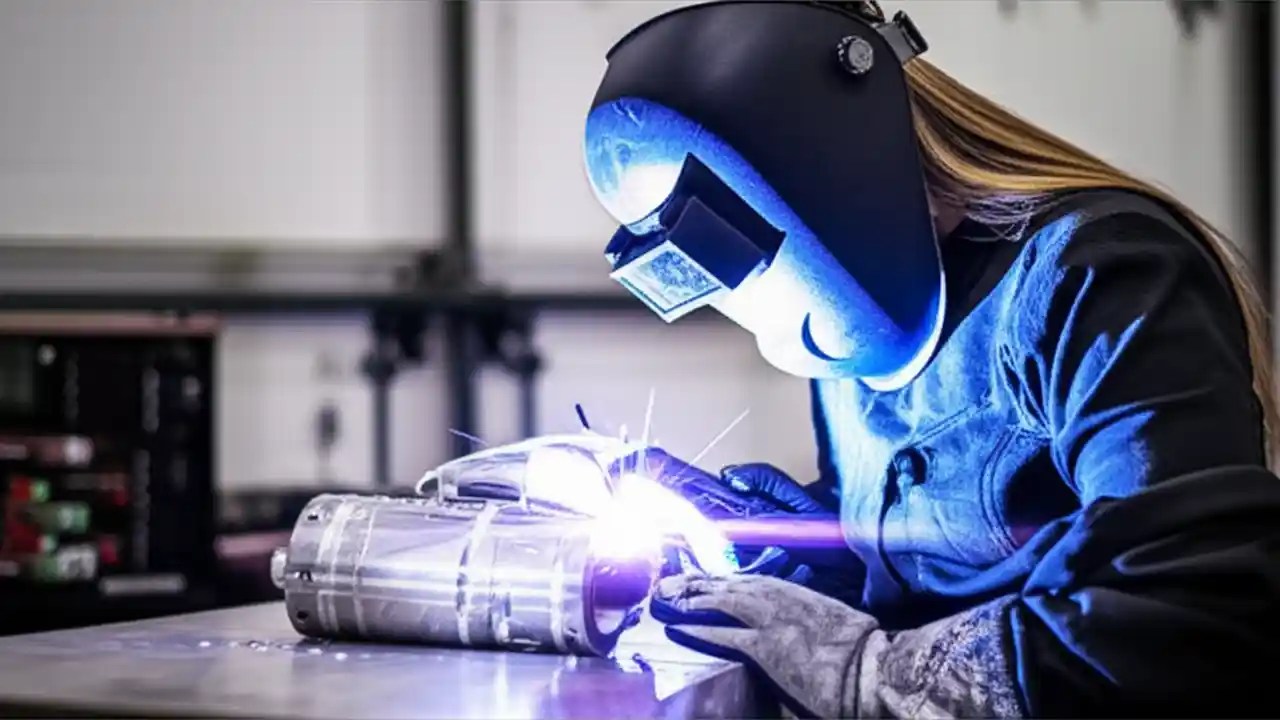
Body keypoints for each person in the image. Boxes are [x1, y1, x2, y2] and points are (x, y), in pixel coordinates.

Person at [581, 1, 1280, 717]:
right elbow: (946, 559)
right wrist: (837, 554)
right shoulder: (858, 333)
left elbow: (1194, 620)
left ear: (830, 168)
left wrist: (872, 674)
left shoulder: (1098, 276)